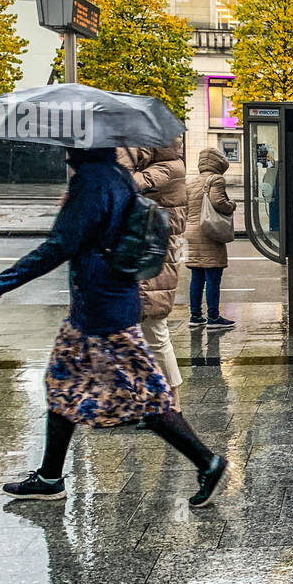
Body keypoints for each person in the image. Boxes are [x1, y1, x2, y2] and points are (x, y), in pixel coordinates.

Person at [0, 147, 227, 507]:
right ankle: (51, 476)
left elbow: (62, 243)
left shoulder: (94, 181)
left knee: (147, 396)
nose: (65, 151)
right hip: (105, 301)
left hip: (102, 307)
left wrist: (9, 278)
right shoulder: (114, 176)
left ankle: (207, 462)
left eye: (70, 146)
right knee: (62, 383)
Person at [117, 138, 187, 408]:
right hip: (144, 253)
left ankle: (173, 402)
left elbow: (129, 182)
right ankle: (142, 398)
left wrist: (122, 150)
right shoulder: (162, 163)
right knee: (138, 329)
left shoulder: (169, 168)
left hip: (155, 258)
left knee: (155, 327)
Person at [186, 146, 237, 331]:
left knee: (196, 277)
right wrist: (231, 205)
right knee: (213, 277)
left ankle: (195, 316)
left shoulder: (190, 182)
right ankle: (214, 317)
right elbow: (218, 203)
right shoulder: (216, 179)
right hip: (209, 232)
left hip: (191, 233)